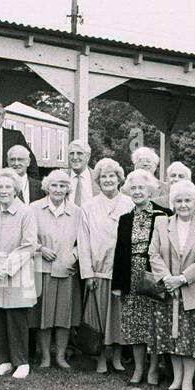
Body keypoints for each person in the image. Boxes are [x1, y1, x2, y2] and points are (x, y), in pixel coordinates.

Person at [148, 180, 195, 390]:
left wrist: (182, 279)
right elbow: (153, 254)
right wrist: (168, 278)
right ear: (173, 203)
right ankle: (176, 381)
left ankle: (188, 383)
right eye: (179, 201)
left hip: (193, 290)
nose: (183, 205)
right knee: (172, 337)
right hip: (168, 290)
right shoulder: (161, 223)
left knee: (191, 338)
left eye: (187, 200)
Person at [0, 168, 38, 379]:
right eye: (0, 187)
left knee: (16, 317)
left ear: (15, 190)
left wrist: (8, 266)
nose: (3, 191)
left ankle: (21, 362)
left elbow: (29, 244)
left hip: (17, 272)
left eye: (8, 187)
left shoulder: (26, 212)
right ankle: (3, 361)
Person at [111, 169, 169, 386]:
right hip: (131, 276)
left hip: (154, 274)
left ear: (150, 190)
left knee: (154, 323)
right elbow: (120, 252)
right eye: (133, 188)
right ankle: (138, 368)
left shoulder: (164, 214)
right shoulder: (125, 219)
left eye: (141, 188)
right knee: (134, 325)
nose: (137, 192)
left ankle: (153, 369)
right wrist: (118, 284)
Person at [78, 158, 133, 374]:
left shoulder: (130, 203)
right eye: (103, 177)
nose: (108, 180)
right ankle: (100, 357)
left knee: (119, 316)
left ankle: (117, 357)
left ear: (119, 179)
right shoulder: (88, 206)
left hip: (122, 271)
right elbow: (83, 242)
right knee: (98, 316)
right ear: (98, 180)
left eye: (112, 176)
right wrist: (88, 273)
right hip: (98, 270)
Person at [29, 169, 82, 370]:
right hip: (42, 268)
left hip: (66, 269)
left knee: (63, 316)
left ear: (68, 189)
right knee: (43, 315)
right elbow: (26, 237)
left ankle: (60, 356)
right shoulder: (34, 208)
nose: (58, 189)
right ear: (47, 187)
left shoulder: (77, 212)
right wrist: (40, 249)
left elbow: (83, 241)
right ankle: (45, 357)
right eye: (54, 185)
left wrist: (73, 256)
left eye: (62, 186)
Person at [66, 140, 95, 206]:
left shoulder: (98, 178)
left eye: (79, 153)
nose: (75, 157)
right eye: (72, 153)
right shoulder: (62, 178)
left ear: (88, 156)